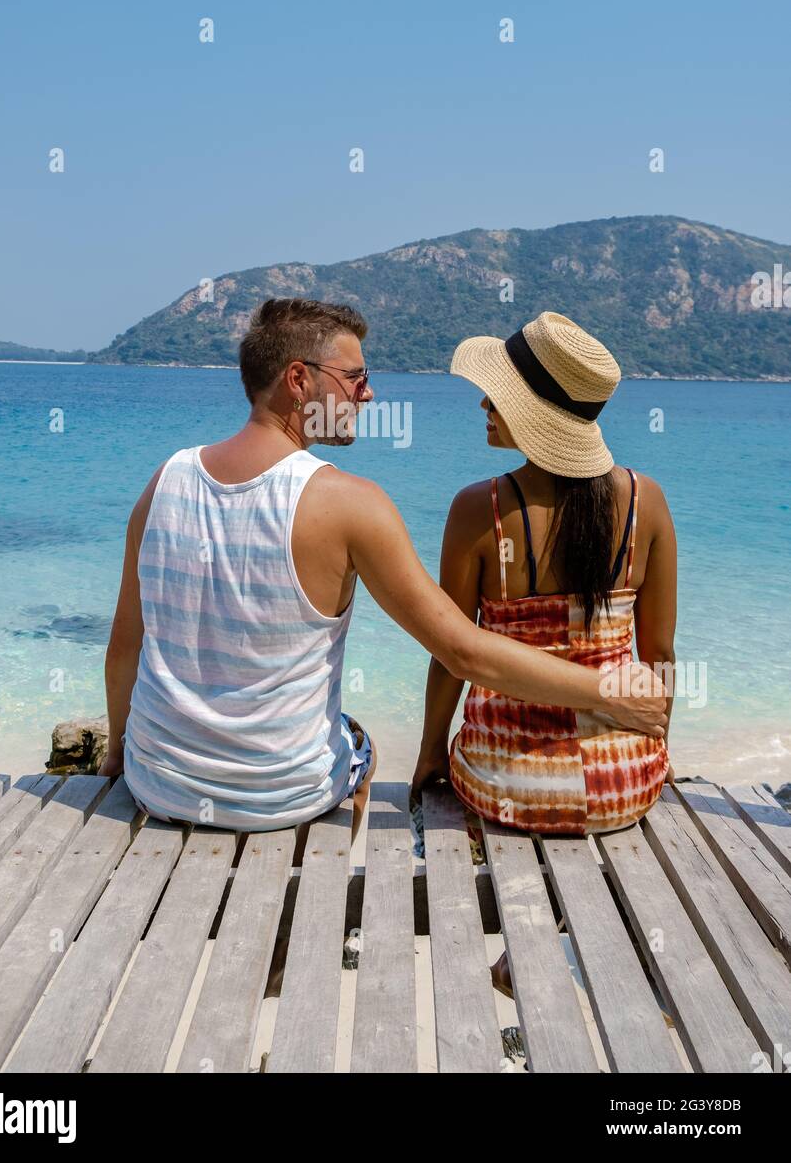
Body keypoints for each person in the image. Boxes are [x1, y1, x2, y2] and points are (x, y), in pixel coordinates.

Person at [100, 298, 667, 842]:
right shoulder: (351, 503)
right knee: (359, 746)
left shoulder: (164, 480)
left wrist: (119, 750)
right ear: (299, 381)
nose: (369, 394)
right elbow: (461, 650)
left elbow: (126, 644)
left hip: (158, 784)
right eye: (355, 377)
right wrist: (610, 692)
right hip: (284, 798)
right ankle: (329, 906)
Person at [410, 311, 676, 991]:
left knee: (479, 801)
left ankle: (516, 949)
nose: (482, 404)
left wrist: (429, 756)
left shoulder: (482, 509)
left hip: (510, 784)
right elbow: (661, 653)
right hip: (623, 786)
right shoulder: (648, 503)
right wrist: (653, 756)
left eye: (498, 394)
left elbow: (450, 654)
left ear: (534, 412)